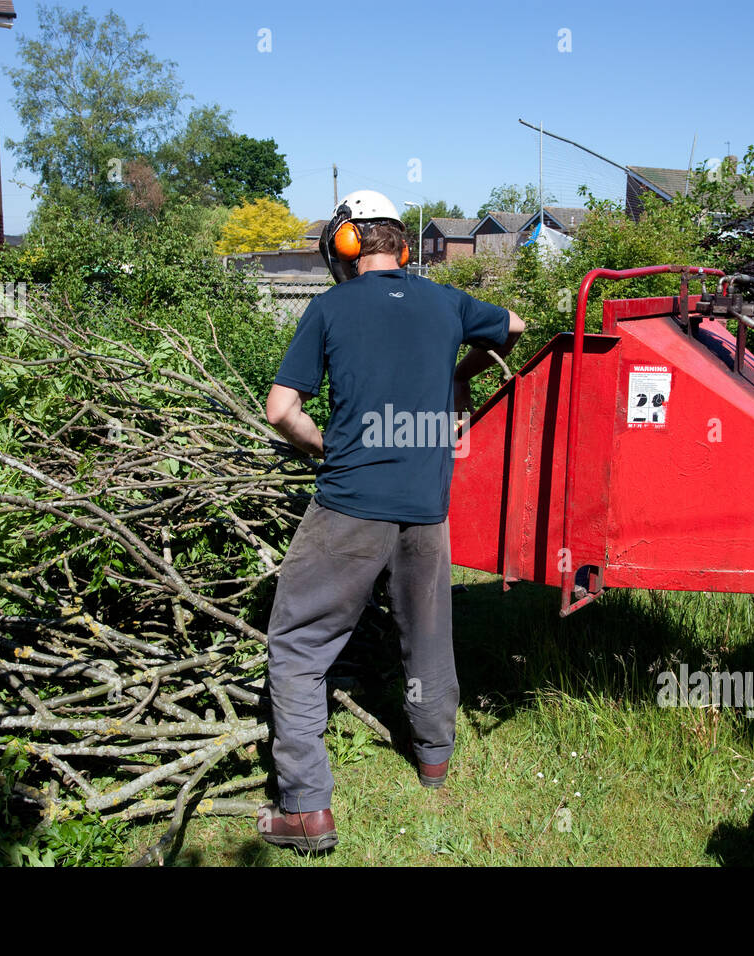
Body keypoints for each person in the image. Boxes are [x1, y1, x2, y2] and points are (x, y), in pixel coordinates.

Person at [257, 189, 525, 852]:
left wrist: (318, 443)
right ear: (403, 246)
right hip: (425, 510)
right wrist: (459, 375)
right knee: (427, 636)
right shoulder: (445, 302)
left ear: (345, 247)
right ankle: (434, 758)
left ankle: (306, 809)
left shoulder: (328, 308)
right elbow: (515, 327)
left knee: (297, 646)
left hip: (350, 505)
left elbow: (279, 408)